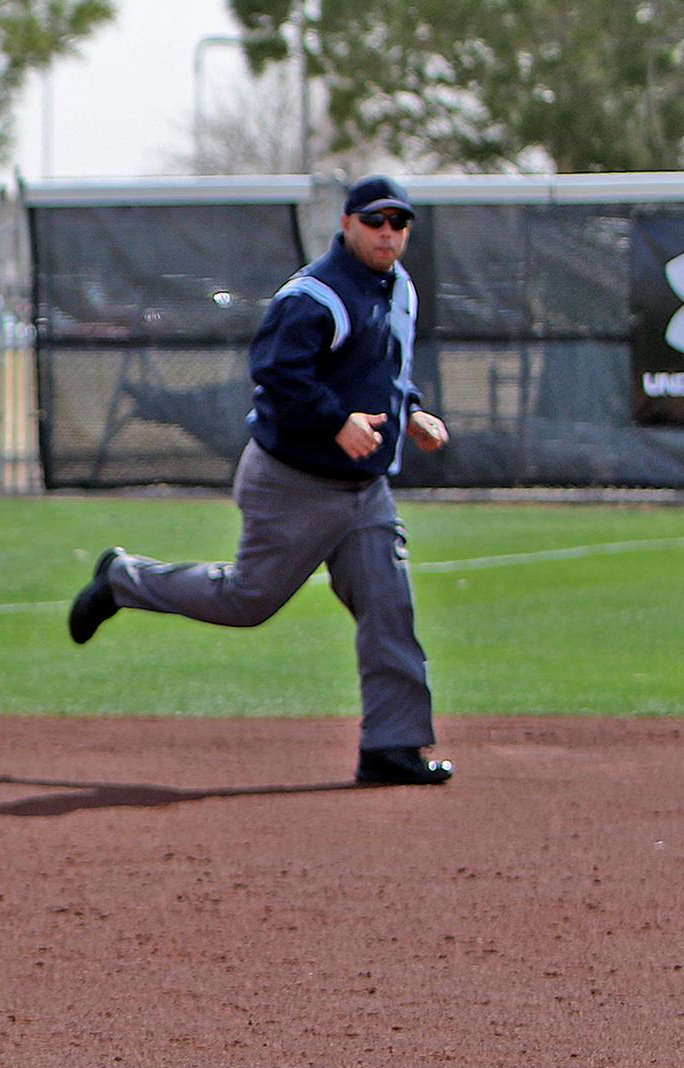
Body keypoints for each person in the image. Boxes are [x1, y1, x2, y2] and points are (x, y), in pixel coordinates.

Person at [67, 174, 455, 787]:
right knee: (247, 601)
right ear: (348, 224)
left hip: (365, 490)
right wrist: (337, 422)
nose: (388, 233)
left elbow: (385, 374)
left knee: (390, 606)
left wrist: (413, 414)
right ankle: (122, 580)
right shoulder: (314, 296)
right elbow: (276, 374)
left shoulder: (400, 289)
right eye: (375, 221)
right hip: (294, 483)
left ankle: (392, 745)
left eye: (399, 223)